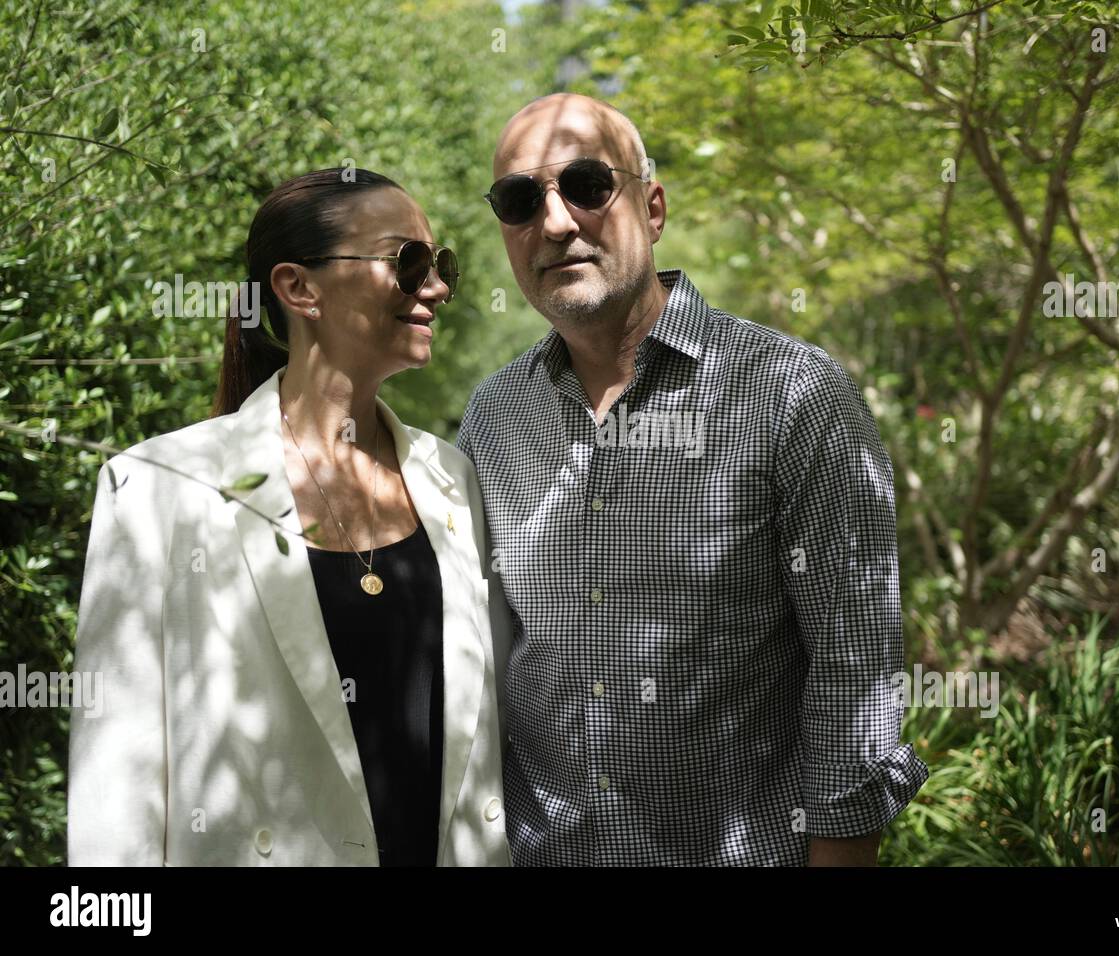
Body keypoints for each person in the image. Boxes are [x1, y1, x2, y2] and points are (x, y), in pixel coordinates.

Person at [457, 94, 929, 866]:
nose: (555, 223)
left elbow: (855, 669)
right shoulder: (495, 414)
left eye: (586, 184)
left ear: (653, 206)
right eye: (519, 200)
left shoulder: (792, 394)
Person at [68, 168, 510, 866]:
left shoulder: (451, 479)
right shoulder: (157, 488)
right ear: (299, 288)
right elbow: (114, 789)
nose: (438, 287)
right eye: (409, 262)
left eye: (441, 263)